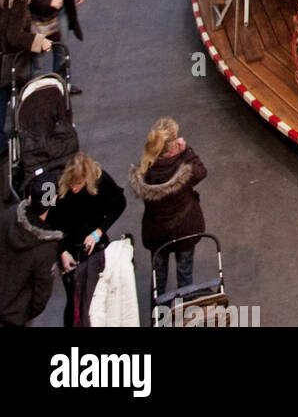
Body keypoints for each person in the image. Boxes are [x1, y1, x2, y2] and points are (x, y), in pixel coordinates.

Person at [129, 118, 206, 299]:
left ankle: (159, 312)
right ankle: (186, 310)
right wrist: (186, 151)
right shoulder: (183, 169)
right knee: (185, 275)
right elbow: (201, 171)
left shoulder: (146, 171)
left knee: (158, 279)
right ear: (172, 147)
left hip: (157, 234)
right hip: (184, 230)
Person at [47, 153, 126, 326]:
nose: (74, 188)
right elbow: (50, 223)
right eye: (72, 183)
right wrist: (62, 252)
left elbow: (120, 203)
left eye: (79, 183)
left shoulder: (101, 180)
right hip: (69, 247)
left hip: (95, 247)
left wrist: (98, 232)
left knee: (98, 297)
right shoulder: (57, 189)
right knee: (73, 299)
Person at [0, 0, 54, 153]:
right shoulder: (18, 1)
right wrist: (39, 41)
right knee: (24, 99)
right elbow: (14, 36)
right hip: (13, 63)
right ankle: (25, 141)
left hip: (2, 59)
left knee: (2, 101)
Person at [0, 179, 64, 327]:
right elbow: (40, 296)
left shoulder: (8, 215)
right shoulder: (46, 248)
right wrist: (22, 313)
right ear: (53, 200)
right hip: (14, 317)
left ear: (29, 198)